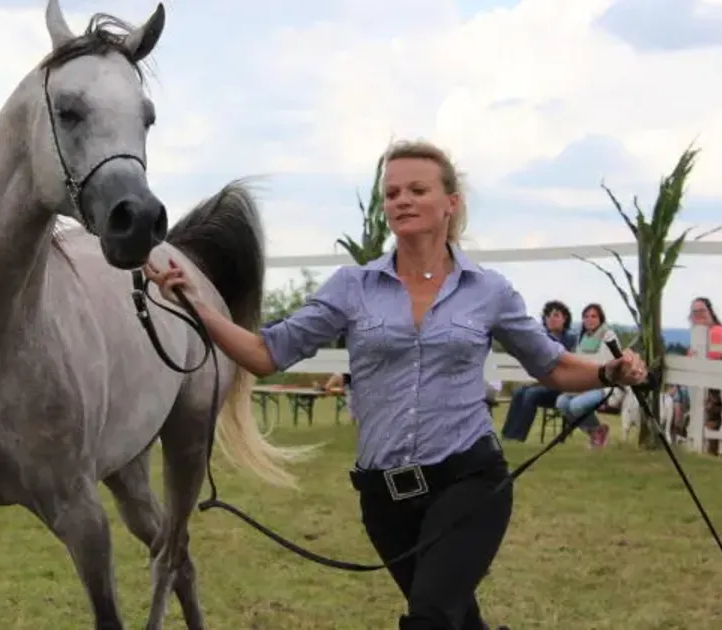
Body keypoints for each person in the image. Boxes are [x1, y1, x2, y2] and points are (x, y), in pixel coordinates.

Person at [144, 139, 648, 630]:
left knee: (429, 617)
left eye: (417, 190)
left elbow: (551, 366)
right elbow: (266, 354)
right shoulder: (353, 287)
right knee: (454, 617)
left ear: (451, 203)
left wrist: (608, 372)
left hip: (469, 480)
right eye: (392, 193)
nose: (401, 200)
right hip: (385, 499)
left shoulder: (488, 291)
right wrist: (199, 307)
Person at [500, 300, 577, 442]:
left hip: (561, 387)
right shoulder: (542, 338)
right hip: (543, 382)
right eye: (548, 316)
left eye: (556, 315)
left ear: (564, 318)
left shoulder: (571, 339)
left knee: (531, 394)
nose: (551, 319)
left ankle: (518, 437)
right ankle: (507, 436)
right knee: (519, 392)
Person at [553, 303, 619, 449]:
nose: (589, 319)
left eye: (593, 316)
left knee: (576, 405)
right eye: (586, 316)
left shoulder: (608, 336)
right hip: (582, 384)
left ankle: (597, 434)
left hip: (603, 386)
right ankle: (596, 431)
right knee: (561, 402)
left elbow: (610, 365)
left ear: (600, 319)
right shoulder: (581, 338)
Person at [670, 297, 722, 453]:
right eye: (694, 312)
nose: (698, 315)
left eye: (702, 311)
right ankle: (679, 434)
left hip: (713, 384)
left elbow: (714, 360)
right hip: (697, 383)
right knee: (675, 395)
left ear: (710, 312)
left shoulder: (716, 332)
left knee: (677, 398)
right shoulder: (698, 337)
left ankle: (679, 433)